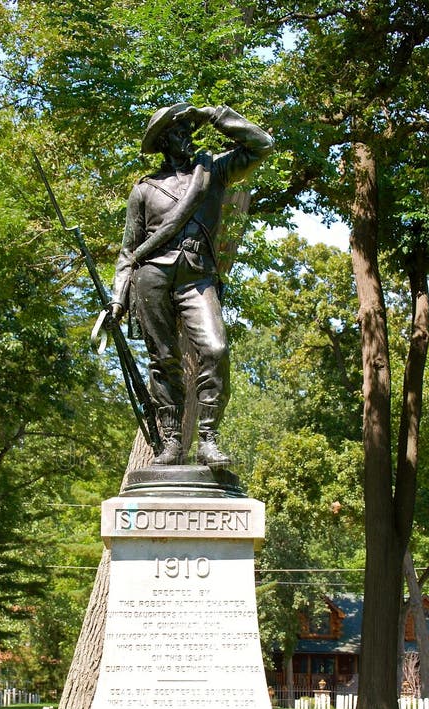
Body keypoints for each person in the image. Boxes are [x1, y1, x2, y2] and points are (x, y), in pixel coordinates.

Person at [111, 104, 271, 467]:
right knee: (163, 360)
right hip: (151, 276)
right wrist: (118, 299)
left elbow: (261, 144)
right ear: (165, 140)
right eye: (180, 131)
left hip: (198, 275)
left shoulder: (212, 171)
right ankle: (170, 443)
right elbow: (128, 251)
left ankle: (209, 440)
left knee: (216, 350)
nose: (188, 137)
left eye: (188, 129)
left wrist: (215, 113)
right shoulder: (145, 189)